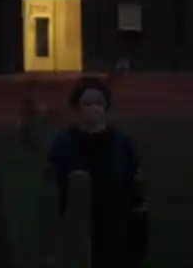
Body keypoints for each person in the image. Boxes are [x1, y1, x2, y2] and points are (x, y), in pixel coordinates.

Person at [47, 75, 149, 268]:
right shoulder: (62, 145)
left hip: (115, 232)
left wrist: (139, 232)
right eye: (86, 103)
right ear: (76, 107)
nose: (93, 108)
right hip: (74, 232)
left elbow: (136, 191)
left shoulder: (122, 144)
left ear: (106, 106)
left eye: (98, 102)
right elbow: (52, 192)